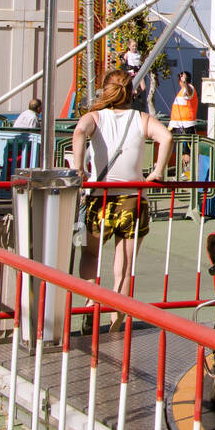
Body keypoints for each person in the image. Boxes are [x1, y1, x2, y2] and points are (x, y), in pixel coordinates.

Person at [70, 70, 173, 326]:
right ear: (132, 92)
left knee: (90, 256)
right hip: (132, 197)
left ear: (105, 90)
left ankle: (92, 300)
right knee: (125, 263)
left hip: (99, 196)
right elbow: (167, 136)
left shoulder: (94, 117)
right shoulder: (141, 118)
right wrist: (158, 171)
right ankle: (119, 314)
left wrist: (80, 168)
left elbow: (80, 131)